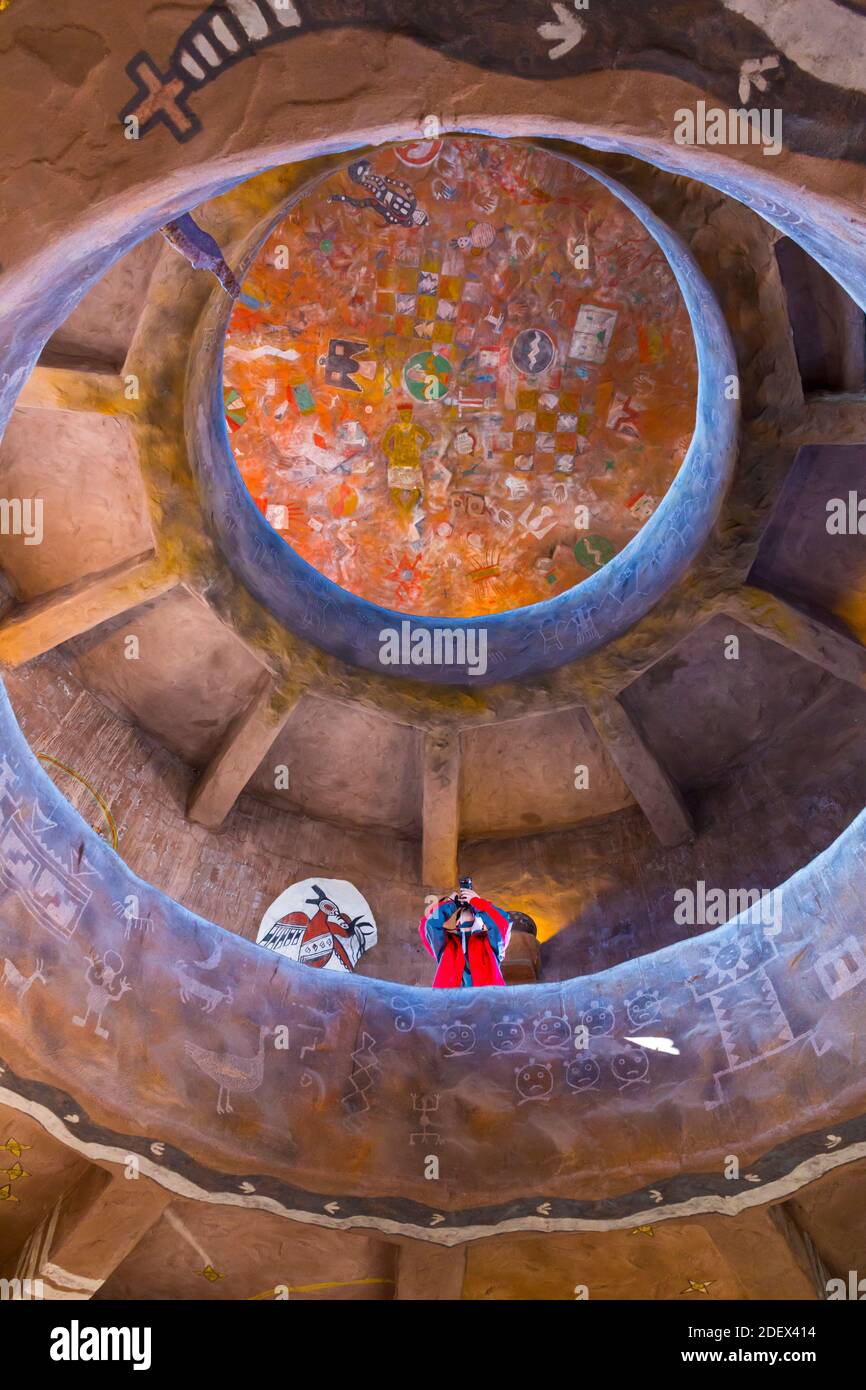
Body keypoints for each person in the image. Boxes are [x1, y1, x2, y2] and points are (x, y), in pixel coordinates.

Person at [419, 880, 511, 988]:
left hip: (487, 1002)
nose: (469, 910)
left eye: (474, 913)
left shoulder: (490, 944)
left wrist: (478, 902)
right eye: (463, 911)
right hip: (452, 1003)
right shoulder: (447, 945)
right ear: (457, 923)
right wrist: (450, 904)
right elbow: (427, 924)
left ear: (483, 924)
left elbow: (502, 924)